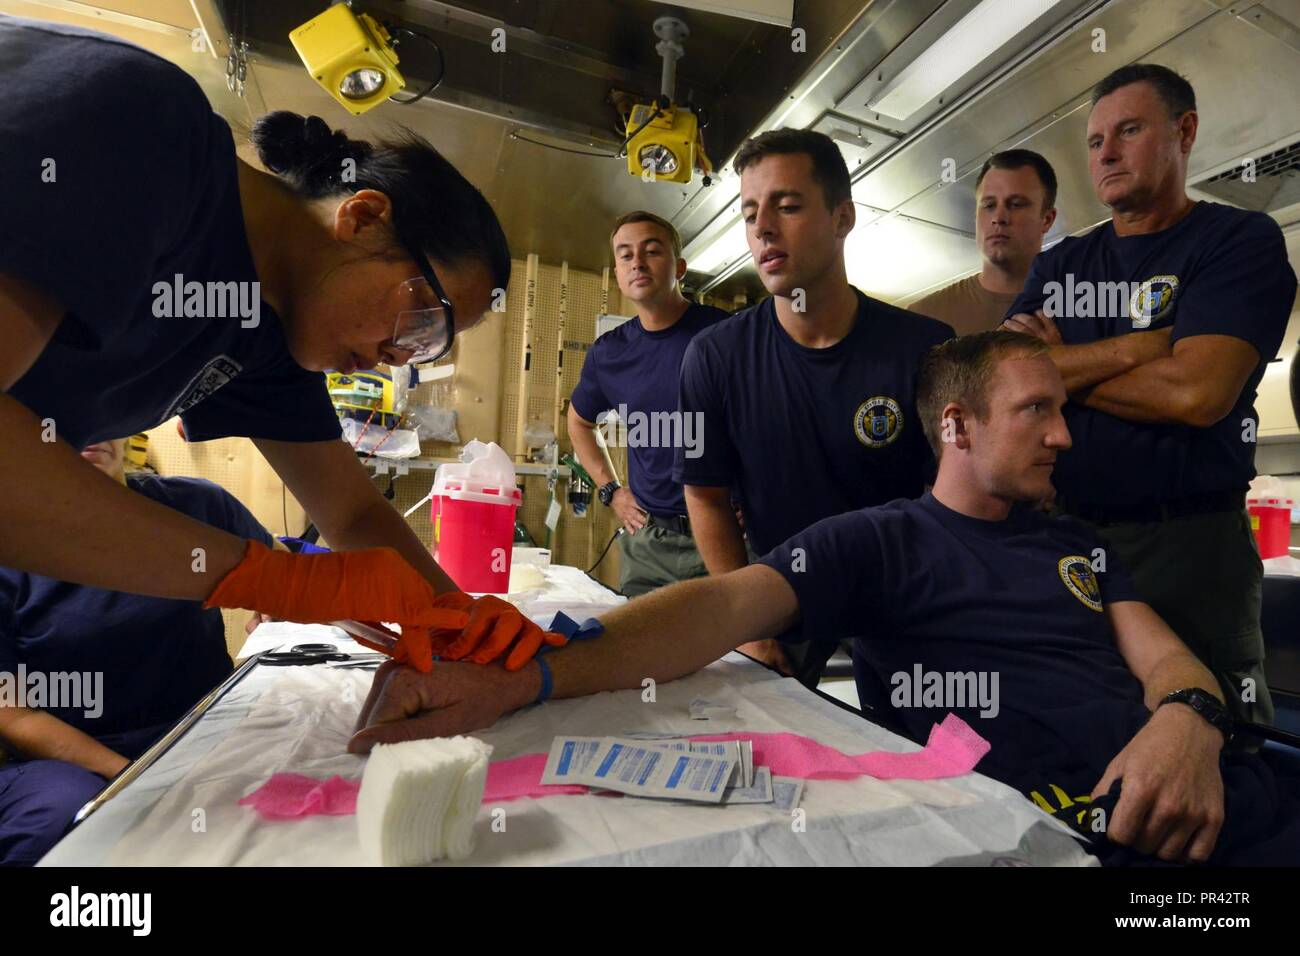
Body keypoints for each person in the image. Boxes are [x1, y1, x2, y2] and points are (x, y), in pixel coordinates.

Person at [349, 332, 1300, 866]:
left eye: (1062, 410)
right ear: (957, 425)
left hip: (1227, 788)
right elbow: (715, 609)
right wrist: (530, 674)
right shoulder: (879, 540)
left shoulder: (1079, 543)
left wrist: (1187, 722)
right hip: (1103, 840)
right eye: (1038, 411)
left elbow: (1164, 657)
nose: (1064, 435)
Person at [0, 17, 553, 670]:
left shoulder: (266, 336)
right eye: (423, 323)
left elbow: (350, 513)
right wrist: (276, 579)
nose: (398, 357)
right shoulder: (143, 122)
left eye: (427, 350)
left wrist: (459, 616)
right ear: (365, 217)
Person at [1002, 63, 1298, 732]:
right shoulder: (1060, 265)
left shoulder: (1236, 242)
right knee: (1085, 731)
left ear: (1184, 131)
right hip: (1071, 539)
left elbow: (1197, 392)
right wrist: (1144, 346)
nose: (1105, 152)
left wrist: (1062, 365)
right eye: (1095, 139)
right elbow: (1011, 381)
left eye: (1128, 130)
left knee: (1216, 735)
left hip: (1192, 549)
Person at [673, 128, 953, 684]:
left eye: (788, 206)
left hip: (898, 599)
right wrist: (745, 627)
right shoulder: (713, 356)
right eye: (750, 213)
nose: (763, 229)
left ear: (842, 217)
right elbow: (704, 494)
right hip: (779, 596)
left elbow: (949, 497)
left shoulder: (924, 348)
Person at [0, 439, 272, 866]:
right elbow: (14, 713)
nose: (93, 428)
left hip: (205, 732)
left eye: (107, 408)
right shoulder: (9, 547)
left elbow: (282, 575)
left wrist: (280, 606)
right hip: (79, 758)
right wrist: (135, 778)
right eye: (65, 410)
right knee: (62, 814)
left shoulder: (199, 508)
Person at [567, 212, 727, 597]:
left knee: (739, 654)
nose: (637, 262)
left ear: (680, 267)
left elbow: (774, 420)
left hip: (724, 534)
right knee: (644, 650)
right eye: (625, 255)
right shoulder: (610, 354)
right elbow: (578, 424)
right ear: (619, 272)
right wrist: (611, 491)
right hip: (649, 543)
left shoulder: (726, 335)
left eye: (651, 251)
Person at [909, 149, 1057, 335]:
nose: (999, 217)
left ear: (1047, 219)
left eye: (1016, 204)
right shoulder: (925, 316)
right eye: (989, 205)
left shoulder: (1082, 306)